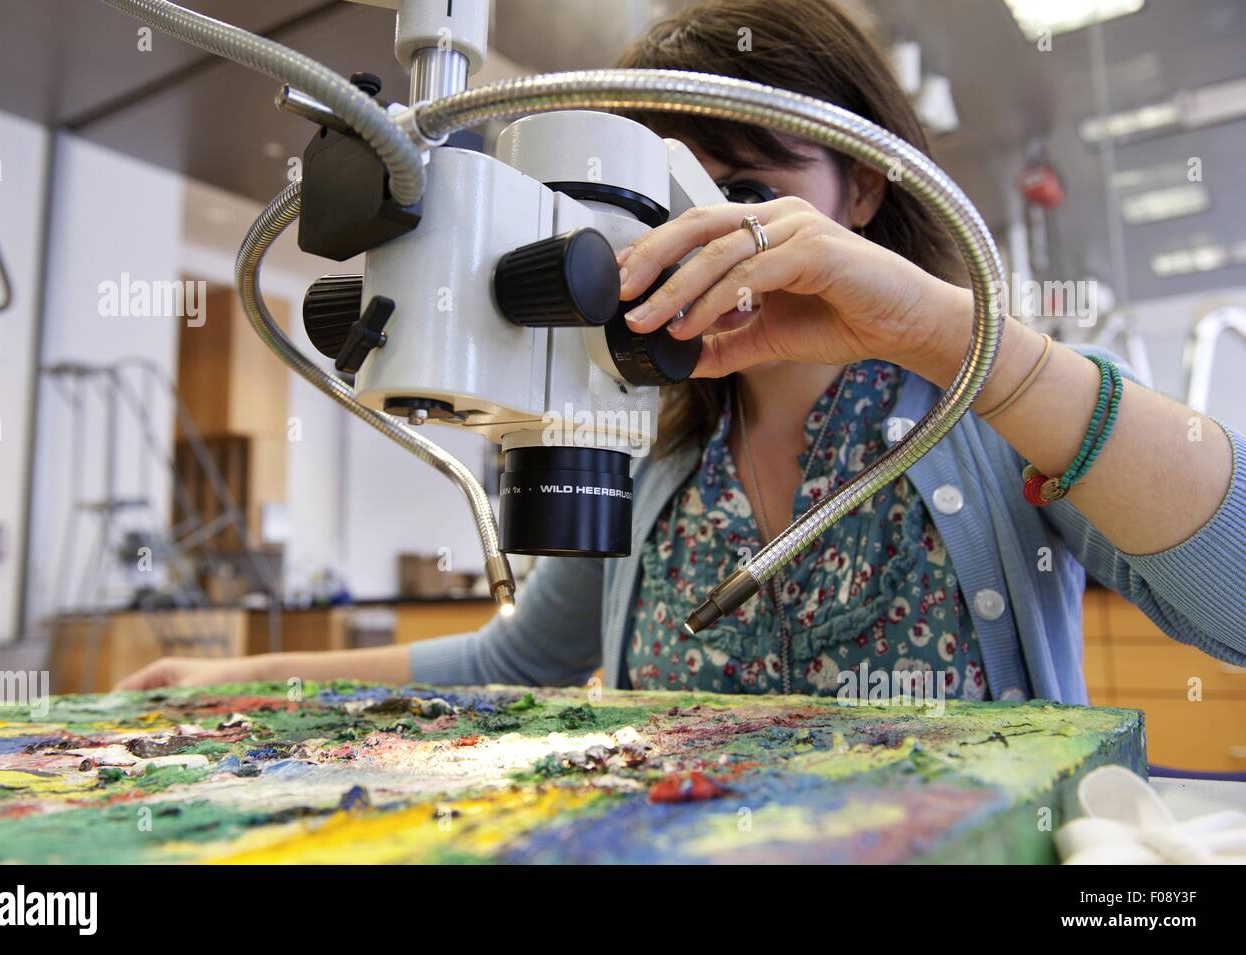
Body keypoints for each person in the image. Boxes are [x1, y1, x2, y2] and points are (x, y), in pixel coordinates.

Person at [120, 0, 1244, 703]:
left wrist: (955, 335)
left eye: (746, 191)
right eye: (666, 204)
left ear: (859, 184)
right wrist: (236, 680)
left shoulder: (988, 418)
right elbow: (516, 663)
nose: (694, 241)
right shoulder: (655, 459)